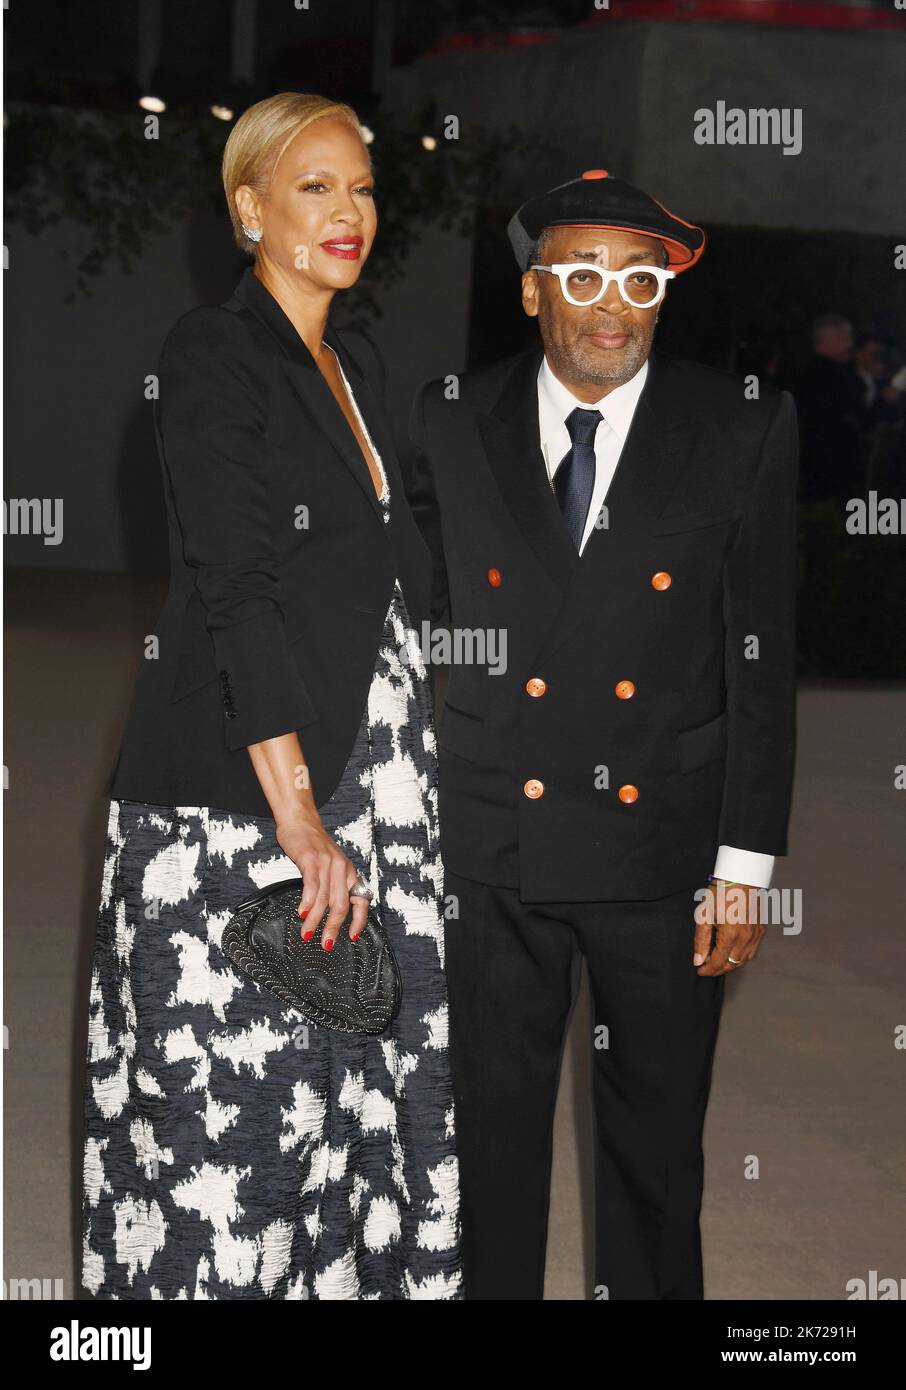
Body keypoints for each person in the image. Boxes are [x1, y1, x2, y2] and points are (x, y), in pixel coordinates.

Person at [81, 92, 462, 1301]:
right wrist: (298, 816)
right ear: (249, 209)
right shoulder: (214, 351)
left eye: (360, 187)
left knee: (347, 1124)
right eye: (314, 187)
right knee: (232, 1141)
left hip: (376, 786)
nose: (348, 212)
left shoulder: (355, 359)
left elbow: (396, 585)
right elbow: (239, 587)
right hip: (243, 801)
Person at [407, 169, 798, 1299]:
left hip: (663, 849)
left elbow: (761, 656)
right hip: (492, 840)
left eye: (640, 277)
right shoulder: (449, 417)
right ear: (533, 293)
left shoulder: (740, 425)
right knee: (489, 1145)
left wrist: (745, 864)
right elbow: (410, 617)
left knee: (658, 1152)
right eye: (581, 274)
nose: (612, 303)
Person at [795, 312, 865, 501]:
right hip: (828, 467)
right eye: (844, 338)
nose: (849, 344)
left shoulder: (832, 371)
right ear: (827, 339)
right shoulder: (821, 375)